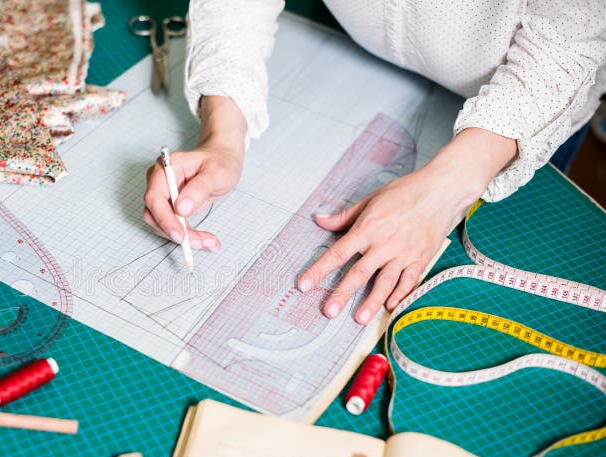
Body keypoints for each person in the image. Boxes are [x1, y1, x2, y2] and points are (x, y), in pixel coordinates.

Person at [143, 0, 606, 325]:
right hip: (354, 60)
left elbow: (566, 46)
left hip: (516, 118)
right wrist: (223, 135)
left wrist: (441, 193)